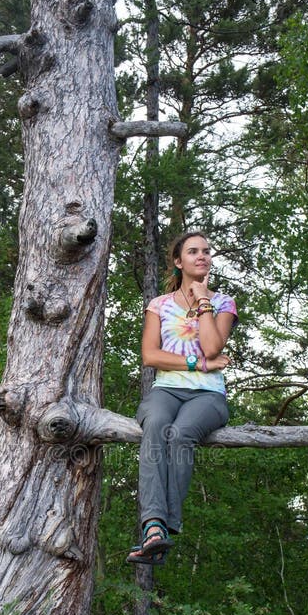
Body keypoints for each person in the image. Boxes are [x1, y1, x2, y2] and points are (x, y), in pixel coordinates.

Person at [127, 231, 238, 566]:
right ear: (178, 261)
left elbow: (213, 347)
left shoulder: (223, 303)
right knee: (157, 424)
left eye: (206, 251)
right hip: (166, 390)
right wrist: (197, 364)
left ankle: (160, 529)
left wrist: (203, 299)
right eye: (193, 251)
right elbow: (150, 355)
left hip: (208, 396)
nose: (202, 256)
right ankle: (154, 526)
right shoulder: (158, 306)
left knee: (181, 433)